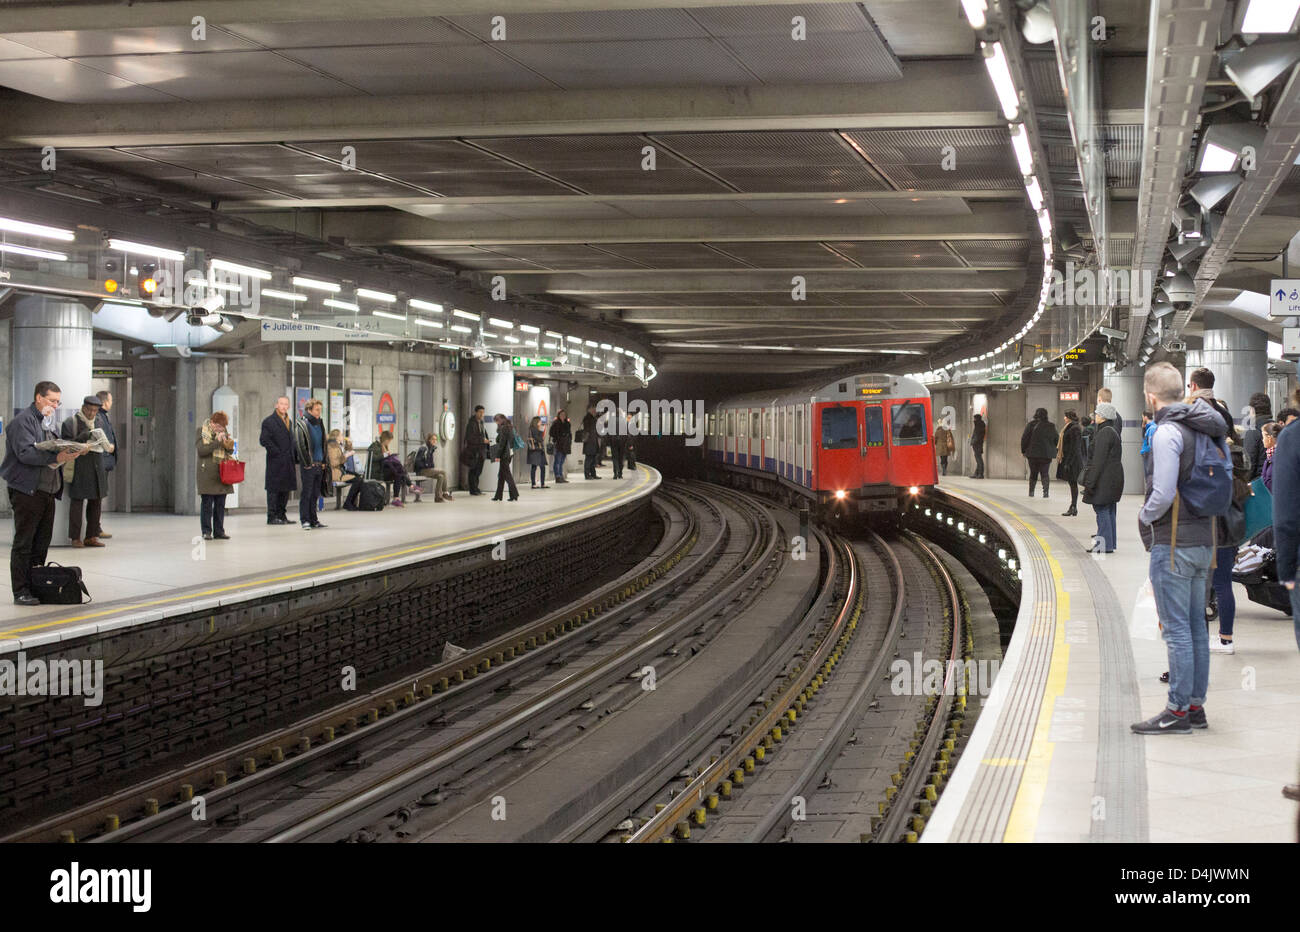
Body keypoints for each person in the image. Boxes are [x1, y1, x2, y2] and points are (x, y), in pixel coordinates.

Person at [1132, 362, 1229, 735]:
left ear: (1151, 396)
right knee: (1195, 628)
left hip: (1173, 545)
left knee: (1176, 631)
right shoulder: (1204, 425)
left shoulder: (1166, 431)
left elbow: (1163, 491)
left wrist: (1144, 516)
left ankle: (1176, 710)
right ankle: (1195, 706)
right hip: (1207, 539)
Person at [2, 381, 83, 605]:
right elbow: (26, 454)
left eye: (58, 402)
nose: (55, 405)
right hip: (27, 491)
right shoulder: (23, 422)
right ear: (39, 398)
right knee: (24, 543)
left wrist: (67, 452)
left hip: (47, 491)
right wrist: (56, 457)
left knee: (41, 543)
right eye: (52, 401)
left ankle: (35, 585)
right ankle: (20, 591)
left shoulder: (48, 422)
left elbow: (50, 448)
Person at [61, 395, 109, 548]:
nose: (92, 413)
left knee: (96, 502)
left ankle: (92, 536)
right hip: (80, 466)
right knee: (77, 502)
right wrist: (85, 436)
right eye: (89, 410)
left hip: (97, 466)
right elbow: (66, 443)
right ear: (83, 407)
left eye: (95, 410)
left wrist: (109, 446)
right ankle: (75, 537)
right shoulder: (71, 422)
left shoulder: (100, 421)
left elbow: (105, 439)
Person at [1081, 403, 1123, 552]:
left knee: (1101, 510)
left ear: (1104, 416)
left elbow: (1098, 461)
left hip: (1104, 479)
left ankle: (1103, 546)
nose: (1096, 416)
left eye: (1098, 414)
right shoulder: (1113, 431)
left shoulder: (1104, 433)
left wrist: (1090, 483)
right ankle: (1110, 544)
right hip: (1113, 478)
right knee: (1109, 510)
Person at [196, 410, 235, 541]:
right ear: (212, 423)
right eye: (218, 426)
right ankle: (206, 531)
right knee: (207, 503)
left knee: (220, 504)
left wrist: (227, 443)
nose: (221, 429)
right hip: (207, 473)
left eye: (223, 427)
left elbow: (230, 450)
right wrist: (217, 442)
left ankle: (219, 531)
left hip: (222, 472)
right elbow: (202, 451)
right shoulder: (202, 431)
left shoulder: (224, 432)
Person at [293, 398, 329, 530]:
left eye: (320, 409)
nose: (319, 412)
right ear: (309, 410)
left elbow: (323, 444)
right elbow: (300, 445)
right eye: (317, 410)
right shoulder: (303, 424)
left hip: (319, 464)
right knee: (306, 493)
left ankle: (314, 520)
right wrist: (307, 462)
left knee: (315, 494)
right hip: (309, 465)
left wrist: (324, 461)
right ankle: (305, 520)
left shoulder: (320, 424)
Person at [259, 395, 295, 526]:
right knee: (274, 489)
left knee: (285, 489)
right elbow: (264, 440)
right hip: (276, 461)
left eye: (286, 404)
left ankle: (282, 514)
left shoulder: (289, 421)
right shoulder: (269, 421)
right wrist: (276, 452)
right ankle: (272, 516)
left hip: (288, 461)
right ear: (276, 405)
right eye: (281, 404)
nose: (284, 406)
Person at [370, 430, 422, 506]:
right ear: (385, 439)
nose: (388, 443)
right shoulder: (374, 446)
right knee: (399, 472)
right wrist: (384, 455)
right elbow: (372, 458)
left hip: (384, 471)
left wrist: (388, 455)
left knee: (399, 474)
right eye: (388, 441)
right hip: (378, 473)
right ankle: (411, 486)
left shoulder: (384, 446)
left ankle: (396, 498)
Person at [1020, 407, 1058, 499]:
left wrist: (1023, 450)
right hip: (1046, 454)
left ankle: (1031, 492)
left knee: (1033, 473)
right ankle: (1045, 493)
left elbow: (1024, 438)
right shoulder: (1051, 426)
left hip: (1032, 454)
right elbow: (1056, 439)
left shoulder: (1031, 425)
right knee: (1045, 473)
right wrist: (1054, 450)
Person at [94, 390, 117, 539]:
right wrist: (109, 448)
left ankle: (96, 527)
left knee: (99, 497)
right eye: (111, 400)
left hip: (104, 462)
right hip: (102, 462)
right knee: (97, 497)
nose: (112, 403)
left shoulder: (103, 417)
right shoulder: (99, 418)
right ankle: (95, 528)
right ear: (105, 402)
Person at [1056, 409, 1084, 517]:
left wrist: (1069, 462)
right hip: (1069, 459)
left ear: (1069, 417)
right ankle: (1073, 507)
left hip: (1073, 461)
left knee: (1073, 484)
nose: (1064, 418)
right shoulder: (1069, 427)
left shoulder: (1075, 428)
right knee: (1072, 484)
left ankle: (1073, 507)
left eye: (1065, 416)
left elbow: (1075, 447)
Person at [1242, 391, 1274, 481]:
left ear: (1252, 410)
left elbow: (1249, 465)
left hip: (1259, 483)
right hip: (1276, 482)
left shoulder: (1253, 431)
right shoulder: (1279, 428)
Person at [413, 432, 453, 501]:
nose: (434, 441)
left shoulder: (431, 448)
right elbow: (417, 462)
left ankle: (438, 497)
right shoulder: (424, 448)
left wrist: (430, 465)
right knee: (443, 471)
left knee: (441, 476)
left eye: (436, 439)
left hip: (428, 470)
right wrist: (427, 465)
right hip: (421, 471)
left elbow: (430, 462)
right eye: (433, 439)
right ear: (429, 440)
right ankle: (445, 493)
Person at [490, 414, 520, 501]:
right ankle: (498, 495)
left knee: (507, 475)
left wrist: (497, 456)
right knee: (501, 475)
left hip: (504, 455)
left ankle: (514, 494)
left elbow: (502, 444)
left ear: (501, 420)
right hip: (509, 453)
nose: (496, 423)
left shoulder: (504, 428)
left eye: (497, 421)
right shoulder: (510, 427)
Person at [463, 405, 489, 496]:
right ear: (476, 412)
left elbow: (483, 434)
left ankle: (476, 488)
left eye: (483, 412)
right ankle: (473, 489)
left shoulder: (481, 423)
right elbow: (470, 438)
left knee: (478, 470)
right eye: (480, 412)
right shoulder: (472, 423)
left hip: (481, 451)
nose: (482, 414)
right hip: (473, 451)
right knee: (473, 470)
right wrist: (482, 440)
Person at [549, 409, 572, 483]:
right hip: (558, 444)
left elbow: (569, 433)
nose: (563, 416)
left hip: (565, 444)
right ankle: (557, 476)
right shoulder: (556, 423)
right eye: (561, 414)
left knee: (562, 461)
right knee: (557, 461)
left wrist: (569, 440)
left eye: (564, 415)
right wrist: (558, 438)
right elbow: (551, 433)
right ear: (559, 415)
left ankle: (561, 476)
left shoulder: (567, 423)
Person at [582, 405, 602, 479]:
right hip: (589, 442)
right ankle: (587, 475)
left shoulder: (592, 418)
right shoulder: (588, 418)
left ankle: (593, 474)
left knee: (593, 459)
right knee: (589, 459)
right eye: (594, 409)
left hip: (593, 441)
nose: (595, 411)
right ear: (589, 410)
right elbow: (588, 430)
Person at [1261, 422, 1281, 492]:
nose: (1262, 440)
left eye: (1263, 437)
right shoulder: (1271, 455)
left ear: (1269, 438)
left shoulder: (1278, 457)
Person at [970, 413, 986, 479]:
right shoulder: (980, 425)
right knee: (978, 459)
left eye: (974, 418)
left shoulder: (979, 425)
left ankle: (980, 474)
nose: (973, 420)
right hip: (978, 444)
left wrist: (973, 442)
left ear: (976, 418)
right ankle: (977, 473)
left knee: (979, 459)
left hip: (977, 444)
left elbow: (977, 435)